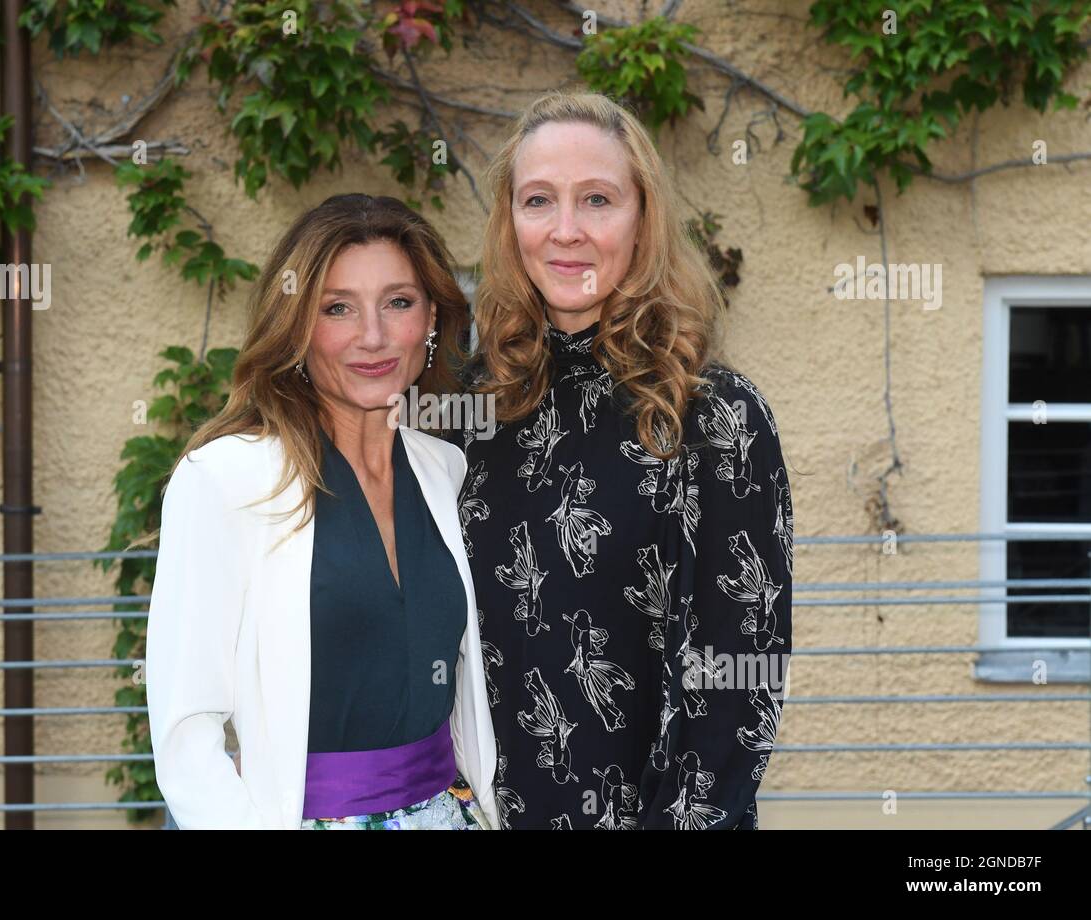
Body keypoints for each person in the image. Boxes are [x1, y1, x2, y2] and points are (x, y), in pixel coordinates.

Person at [455, 91, 794, 829]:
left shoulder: (715, 416)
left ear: (644, 218)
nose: (565, 230)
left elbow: (742, 678)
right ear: (509, 223)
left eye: (598, 200)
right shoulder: (466, 416)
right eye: (538, 200)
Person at [145, 194, 500, 829]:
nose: (373, 336)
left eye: (399, 302)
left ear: (433, 320)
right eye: (338, 308)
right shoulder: (226, 479)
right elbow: (186, 736)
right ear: (298, 327)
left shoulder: (443, 470)